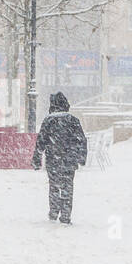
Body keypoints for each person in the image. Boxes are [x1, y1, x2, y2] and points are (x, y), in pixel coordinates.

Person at [31, 92, 87, 224]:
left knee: (54, 186)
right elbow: (81, 140)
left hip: (53, 160)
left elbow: (41, 141)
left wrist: (37, 158)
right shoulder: (73, 120)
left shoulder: (48, 120)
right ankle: (66, 215)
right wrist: (81, 157)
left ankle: (54, 211)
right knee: (68, 186)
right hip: (69, 160)